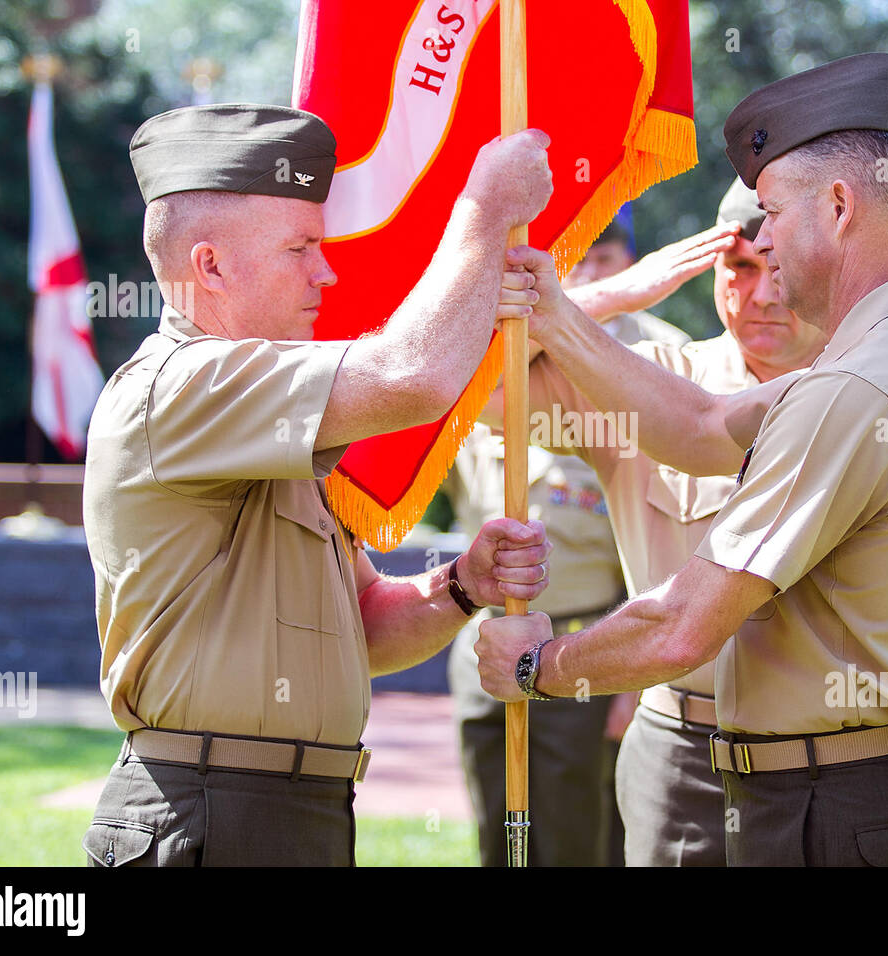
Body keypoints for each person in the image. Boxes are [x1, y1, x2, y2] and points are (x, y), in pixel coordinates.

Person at [478, 53, 888, 866]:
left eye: (774, 214)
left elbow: (683, 624)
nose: (766, 246)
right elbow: (698, 424)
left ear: (838, 206)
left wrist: (536, 666)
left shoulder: (857, 386)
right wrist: (571, 306)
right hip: (849, 792)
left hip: (836, 807)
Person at [80, 103, 554, 866]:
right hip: (211, 807)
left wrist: (462, 584)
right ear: (210, 267)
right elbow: (414, 375)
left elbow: (362, 624)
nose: (326, 272)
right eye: (300, 247)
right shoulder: (181, 385)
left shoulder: (263, 415)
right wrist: (486, 208)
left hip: (288, 810)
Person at [446, 216, 688, 866]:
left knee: (582, 845)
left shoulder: (654, 361)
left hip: (587, 655)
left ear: (630, 261)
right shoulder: (504, 356)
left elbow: (668, 539)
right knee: (496, 844)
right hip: (487, 649)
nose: (588, 276)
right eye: (574, 260)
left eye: (604, 258)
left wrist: (635, 683)